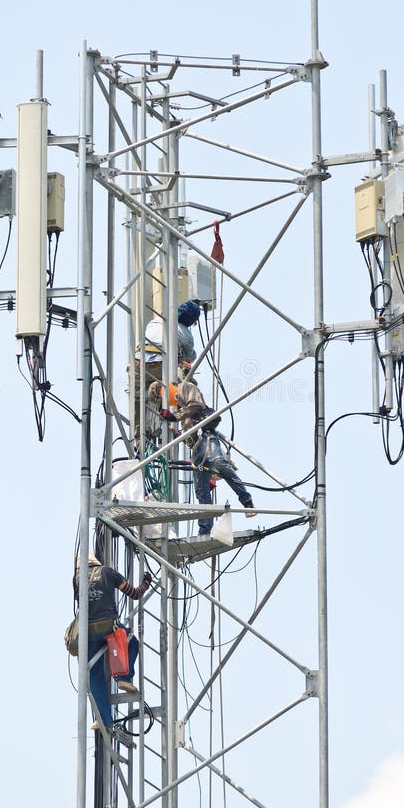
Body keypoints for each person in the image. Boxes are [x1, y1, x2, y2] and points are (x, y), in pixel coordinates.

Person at [150, 381, 255, 534]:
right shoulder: (182, 410)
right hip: (197, 449)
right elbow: (189, 435)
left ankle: (247, 501)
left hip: (207, 438)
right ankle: (205, 529)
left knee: (219, 463)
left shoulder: (186, 388)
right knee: (201, 491)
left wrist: (175, 416)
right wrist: (178, 433)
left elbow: (196, 405)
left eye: (161, 395)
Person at [74, 555, 152, 729]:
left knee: (94, 674)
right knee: (131, 642)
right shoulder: (108, 573)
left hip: (89, 631)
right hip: (109, 626)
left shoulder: (77, 579)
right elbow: (135, 594)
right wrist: (147, 582)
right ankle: (123, 678)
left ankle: (105, 721)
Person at [132, 301, 201, 440]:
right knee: (183, 393)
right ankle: (189, 436)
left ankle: (140, 439)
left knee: (140, 399)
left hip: (137, 366)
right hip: (159, 367)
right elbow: (190, 357)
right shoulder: (185, 334)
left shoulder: (155, 321)